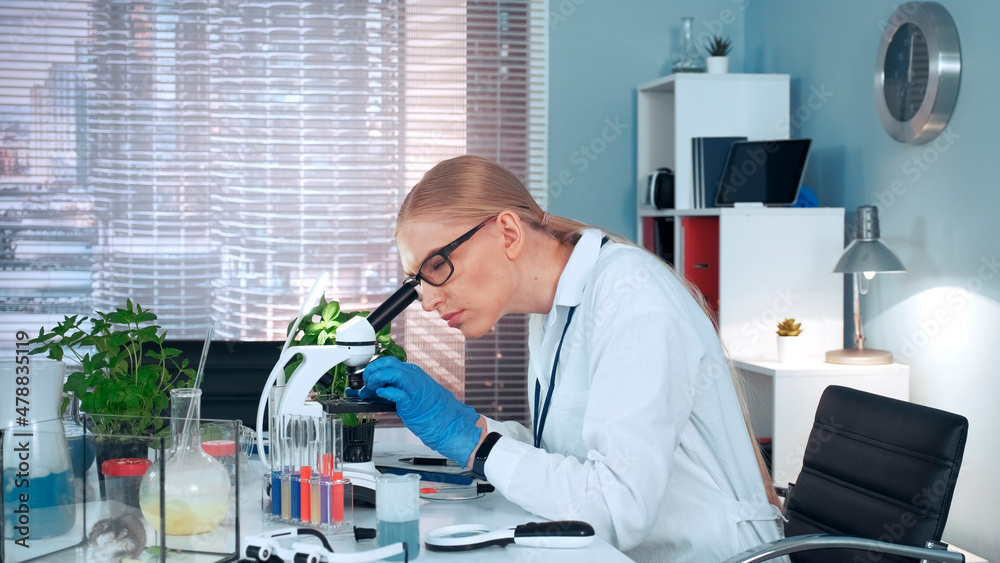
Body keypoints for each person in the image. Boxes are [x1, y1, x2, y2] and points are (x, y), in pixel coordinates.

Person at [357, 155, 785, 562]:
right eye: (417, 281)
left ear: (507, 232)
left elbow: (618, 509)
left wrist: (475, 444)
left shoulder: (633, 298)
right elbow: (566, 458)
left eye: (437, 266)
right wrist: (470, 428)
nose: (428, 301)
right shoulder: (553, 312)